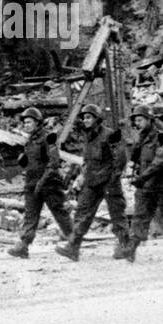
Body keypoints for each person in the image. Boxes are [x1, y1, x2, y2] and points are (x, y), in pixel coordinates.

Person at [55, 104, 129, 261]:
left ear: (97, 119)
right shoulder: (88, 137)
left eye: (89, 117)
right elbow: (87, 161)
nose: (85, 120)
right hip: (92, 182)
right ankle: (73, 248)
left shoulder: (110, 135)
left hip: (109, 182)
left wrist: (113, 179)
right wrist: (81, 177)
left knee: (117, 215)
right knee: (82, 212)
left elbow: (120, 159)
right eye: (84, 117)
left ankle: (125, 247)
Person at [7, 107, 73, 258]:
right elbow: (33, 162)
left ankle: (73, 244)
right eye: (24, 123)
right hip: (32, 183)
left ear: (37, 123)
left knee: (59, 213)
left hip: (48, 183)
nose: (26, 125)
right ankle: (23, 246)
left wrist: (43, 181)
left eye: (29, 122)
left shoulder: (48, 138)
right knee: (30, 215)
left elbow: (54, 162)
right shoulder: (30, 141)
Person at [127, 104, 163, 262]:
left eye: (140, 120)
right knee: (140, 216)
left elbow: (160, 162)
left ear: (149, 120)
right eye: (136, 120)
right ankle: (132, 248)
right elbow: (137, 160)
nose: (137, 123)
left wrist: (142, 178)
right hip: (146, 186)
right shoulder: (140, 138)